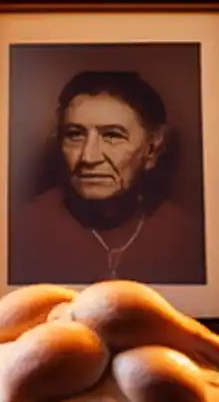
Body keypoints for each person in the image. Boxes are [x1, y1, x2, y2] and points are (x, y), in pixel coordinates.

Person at [10, 70, 206, 286]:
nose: (88, 157)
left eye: (112, 135)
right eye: (75, 135)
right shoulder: (22, 231)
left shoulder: (188, 236)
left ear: (152, 149)